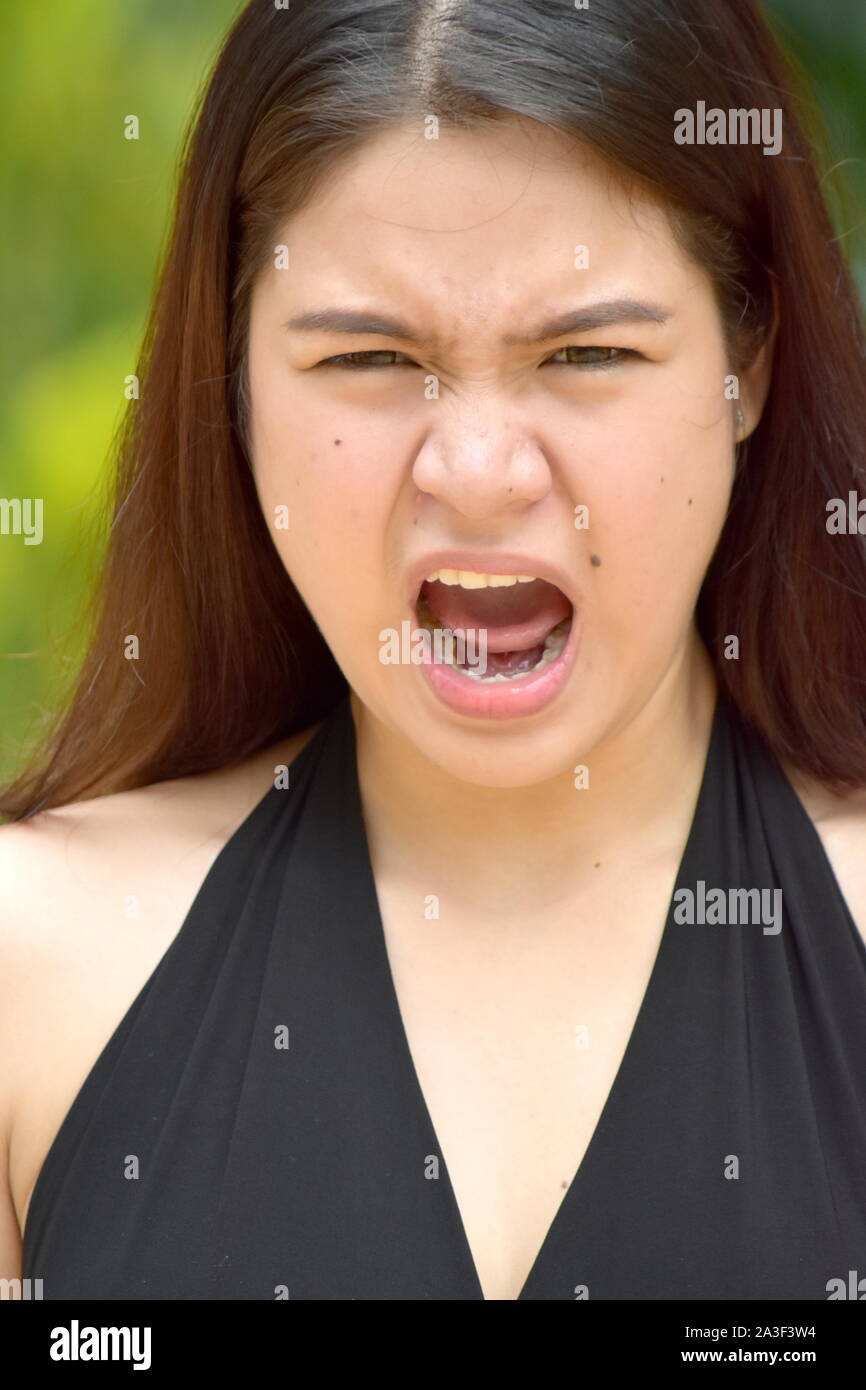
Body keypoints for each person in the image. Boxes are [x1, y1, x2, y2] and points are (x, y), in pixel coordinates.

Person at [1, 0, 865, 1301]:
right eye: (368, 355)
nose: (476, 471)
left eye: (586, 351)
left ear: (748, 359)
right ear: (232, 383)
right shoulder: (33, 964)